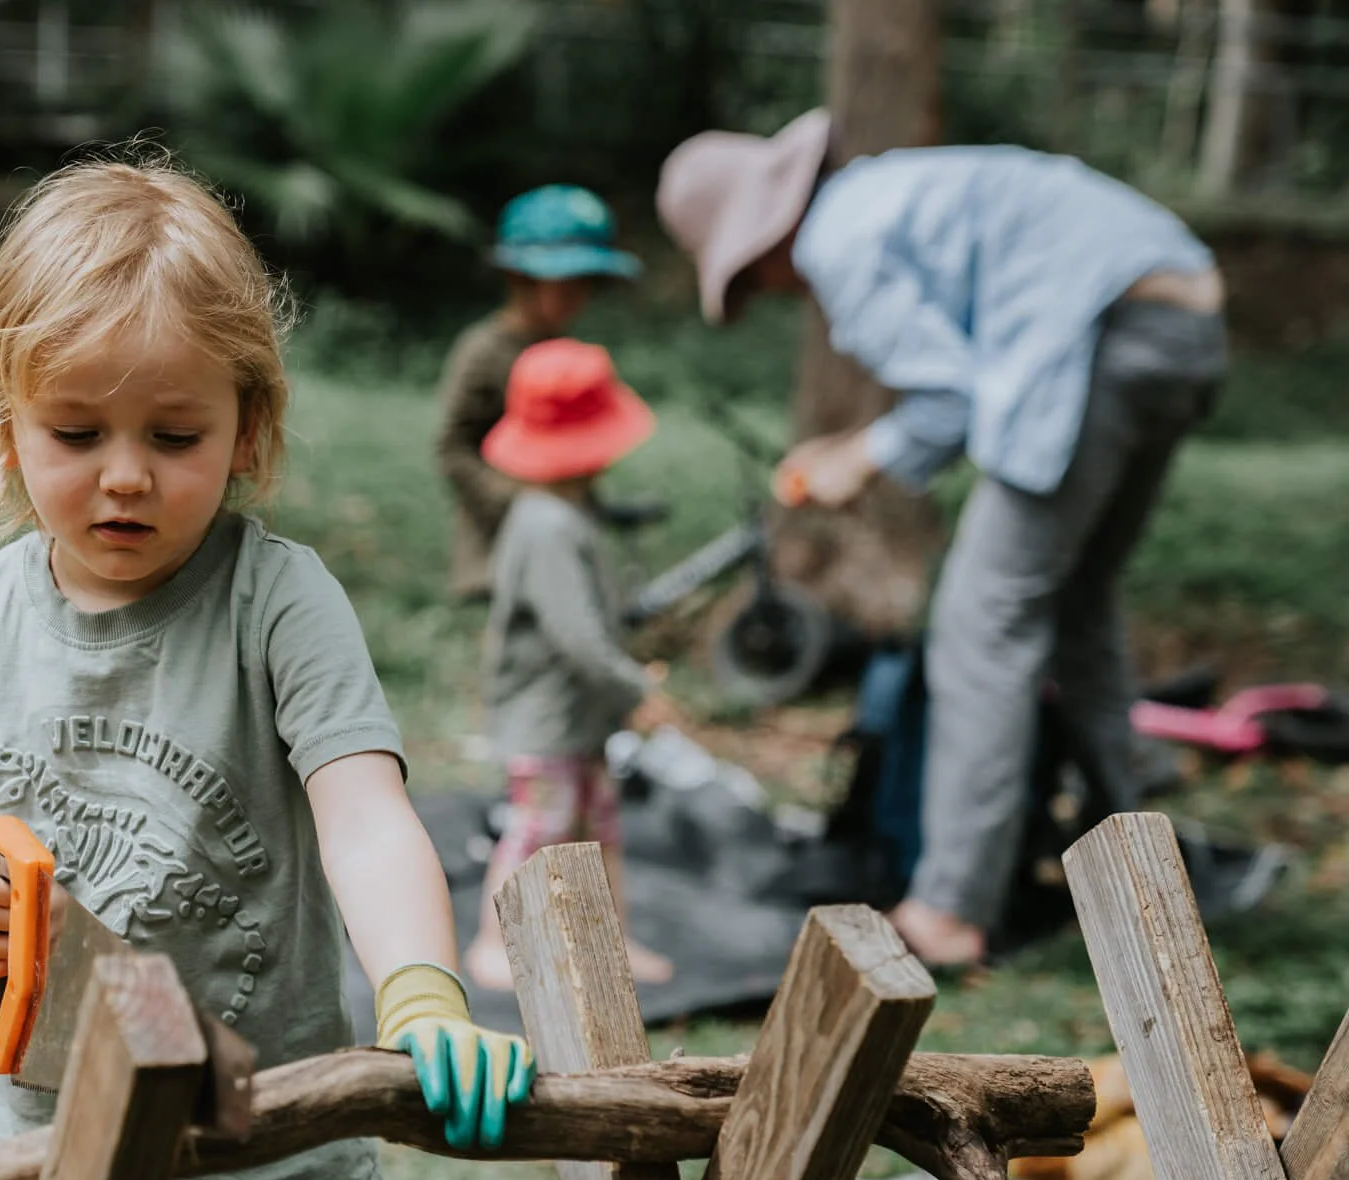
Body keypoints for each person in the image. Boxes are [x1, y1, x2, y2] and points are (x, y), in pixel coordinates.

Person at [0, 156, 534, 1180]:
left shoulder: (276, 602)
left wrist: (423, 993)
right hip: (42, 1177)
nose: (125, 476)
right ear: (3, 423)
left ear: (247, 429)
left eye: (175, 437)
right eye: (76, 432)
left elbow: (367, 820)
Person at [656, 110, 1228, 966]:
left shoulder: (839, 239)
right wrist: (865, 449)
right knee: (1078, 599)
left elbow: (950, 402)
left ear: (767, 233)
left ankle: (951, 908)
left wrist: (858, 458)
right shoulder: (888, 191)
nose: (774, 289)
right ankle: (1138, 857)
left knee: (980, 623)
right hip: (1185, 322)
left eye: (752, 274)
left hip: (1102, 338)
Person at [461, 338, 681, 992]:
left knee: (596, 830)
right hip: (546, 719)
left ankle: (611, 940)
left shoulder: (568, 508)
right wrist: (636, 688)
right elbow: (578, 637)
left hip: (582, 715)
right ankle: (492, 943)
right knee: (535, 833)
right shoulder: (547, 526)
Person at [435, 184, 646, 600]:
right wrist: (523, 503)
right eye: (565, 286)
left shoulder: (561, 348)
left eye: (585, 285)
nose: (576, 299)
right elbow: (453, 449)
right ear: (521, 279)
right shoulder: (483, 351)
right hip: (500, 545)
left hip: (565, 535)